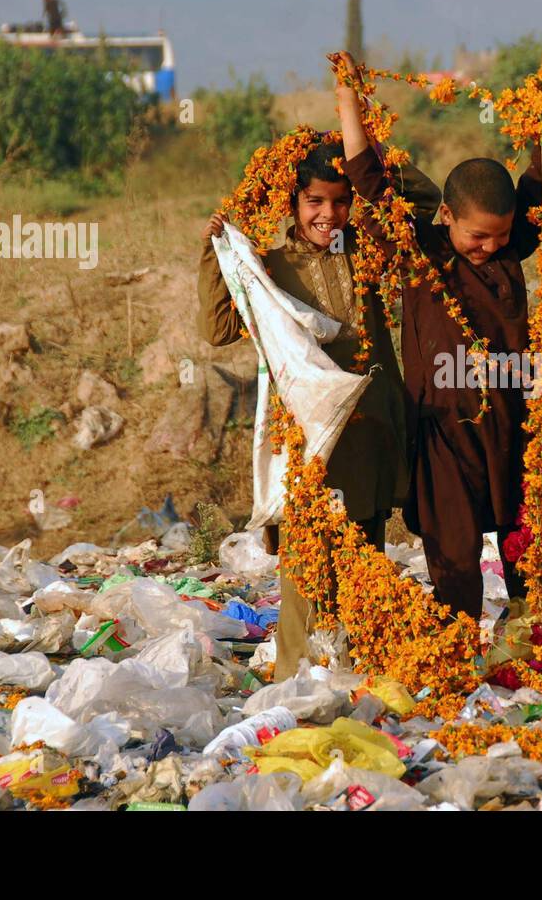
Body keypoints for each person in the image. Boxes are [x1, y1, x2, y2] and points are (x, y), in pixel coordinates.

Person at [196, 106, 440, 682]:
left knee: (364, 557)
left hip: (374, 430)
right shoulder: (271, 268)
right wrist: (215, 251)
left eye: (341, 200)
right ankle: (297, 681)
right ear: (293, 204)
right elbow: (218, 329)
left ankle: (358, 674)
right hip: (308, 441)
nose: (329, 214)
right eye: (315, 202)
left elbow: (426, 212)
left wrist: (371, 158)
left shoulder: (372, 256)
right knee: (306, 565)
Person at [333, 52, 542, 629]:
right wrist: (347, 99)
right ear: (447, 218)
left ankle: (537, 645)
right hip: (442, 432)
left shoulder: (513, 249)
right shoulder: (423, 255)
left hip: (514, 423)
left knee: (532, 549)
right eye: (477, 236)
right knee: (455, 559)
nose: (489, 247)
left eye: (500, 235)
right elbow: (367, 175)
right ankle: (457, 650)